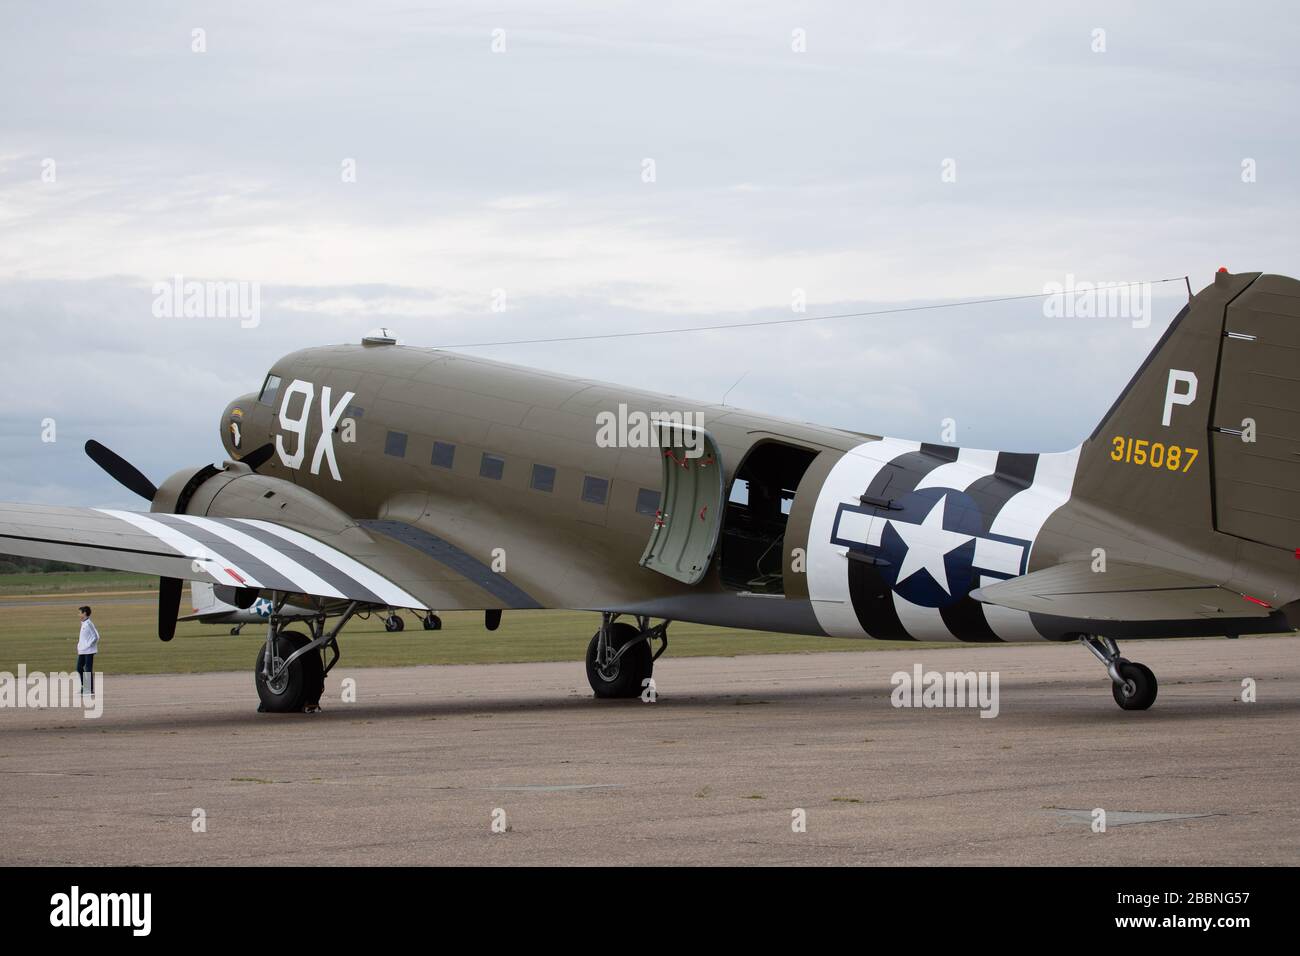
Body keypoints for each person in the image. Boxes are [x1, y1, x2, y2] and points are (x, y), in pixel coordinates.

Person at [76, 605, 100, 695]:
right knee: (79, 668)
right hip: (82, 651)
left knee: (88, 669)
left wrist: (89, 645)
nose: (78, 615)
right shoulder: (84, 623)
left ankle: (89, 689)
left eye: (80, 613)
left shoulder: (89, 623)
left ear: (84, 613)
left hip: (89, 651)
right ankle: (85, 687)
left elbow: (96, 636)